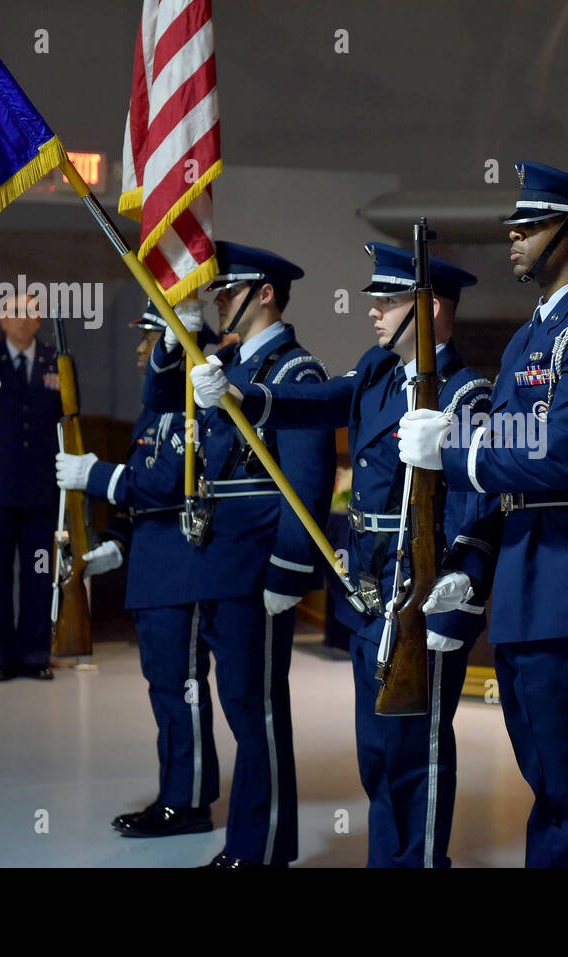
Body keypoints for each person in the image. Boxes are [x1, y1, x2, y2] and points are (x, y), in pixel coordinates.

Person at [397, 162, 568, 867]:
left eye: (532, 224)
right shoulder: (530, 338)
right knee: (545, 776)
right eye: (514, 225)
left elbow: (562, 454)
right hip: (525, 578)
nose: (513, 236)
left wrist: (451, 449)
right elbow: (510, 467)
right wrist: (472, 561)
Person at [192, 242, 491, 867]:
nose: (373, 311)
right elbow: (322, 401)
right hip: (366, 589)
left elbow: (474, 508)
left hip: (418, 590)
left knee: (415, 749)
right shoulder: (378, 372)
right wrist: (239, 397)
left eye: (389, 300)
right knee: (376, 751)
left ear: (431, 308)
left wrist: (460, 603)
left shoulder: (464, 394)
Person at [143, 241, 336, 868]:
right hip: (219, 561)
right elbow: (159, 403)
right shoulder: (226, 364)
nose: (218, 300)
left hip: (258, 563)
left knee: (259, 711)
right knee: (238, 702)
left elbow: (308, 479)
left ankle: (262, 849)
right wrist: (172, 343)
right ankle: (252, 843)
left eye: (229, 290)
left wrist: (290, 566)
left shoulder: (295, 373)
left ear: (265, 294)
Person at [55, 301, 221, 839]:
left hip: (180, 570)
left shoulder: (193, 406)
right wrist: (118, 543)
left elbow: (166, 485)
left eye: (149, 338)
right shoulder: (158, 407)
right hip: (153, 568)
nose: (139, 350)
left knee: (182, 688)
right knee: (165, 689)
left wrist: (95, 475)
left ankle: (188, 803)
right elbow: (145, 498)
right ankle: (176, 793)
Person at [0, 293, 66, 681]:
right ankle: (1, 658)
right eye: (15, 313)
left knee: (38, 572)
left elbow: (68, 421)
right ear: (2, 320)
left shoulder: (56, 361)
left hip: (41, 492)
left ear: (39, 320)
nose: (23, 319)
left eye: (31, 312)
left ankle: (35, 656)